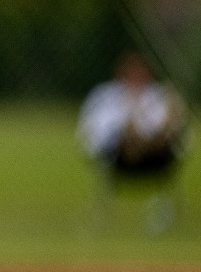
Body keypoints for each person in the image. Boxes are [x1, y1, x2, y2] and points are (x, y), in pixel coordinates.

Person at [77, 51, 188, 233]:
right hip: (121, 154)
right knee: (130, 127)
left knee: (172, 103)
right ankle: (136, 142)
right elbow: (93, 133)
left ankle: (142, 143)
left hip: (156, 154)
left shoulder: (157, 96)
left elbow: (178, 135)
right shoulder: (106, 96)